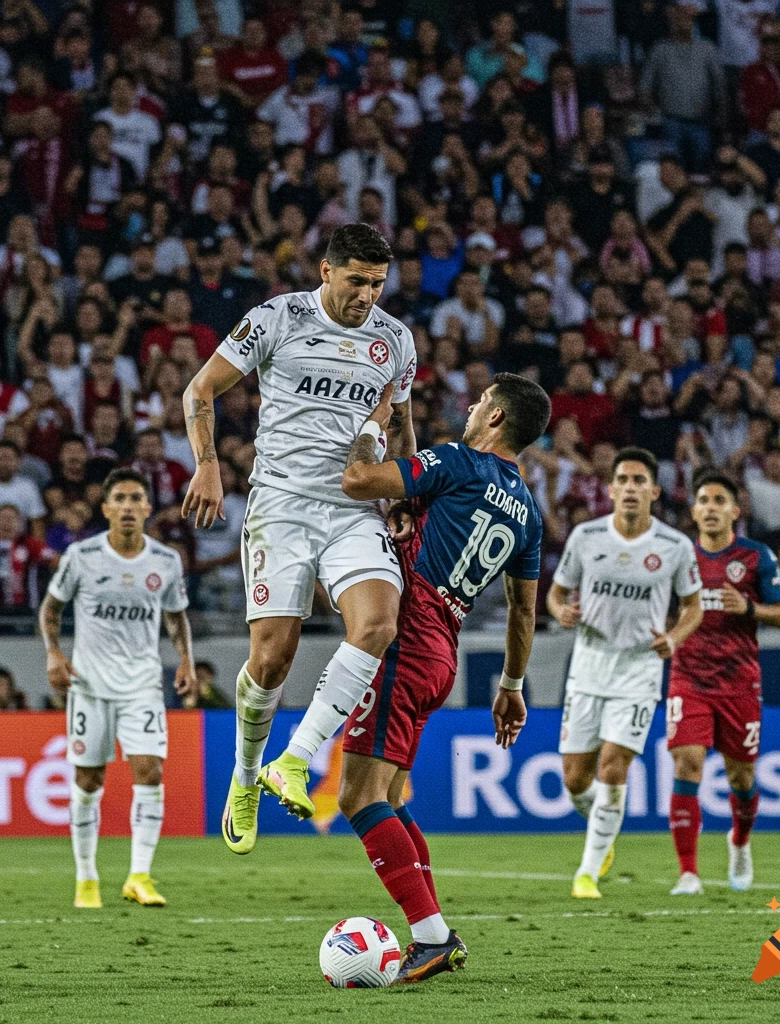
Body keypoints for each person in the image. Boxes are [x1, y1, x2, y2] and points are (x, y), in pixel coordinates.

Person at [181, 223, 417, 855]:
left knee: (377, 624)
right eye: (357, 280)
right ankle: (244, 774)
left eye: (377, 283)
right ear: (325, 272)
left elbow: (397, 418)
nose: (367, 294)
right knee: (272, 659)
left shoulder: (394, 340)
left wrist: (408, 492)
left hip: (352, 508)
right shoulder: (276, 318)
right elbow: (200, 389)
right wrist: (207, 462)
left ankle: (294, 760)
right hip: (281, 505)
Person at [334, 372, 547, 982]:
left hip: (406, 638)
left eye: (481, 401)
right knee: (391, 796)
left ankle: (432, 937)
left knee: (358, 796)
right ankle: (431, 933)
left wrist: (373, 420)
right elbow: (524, 609)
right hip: (442, 650)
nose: (473, 406)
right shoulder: (528, 511)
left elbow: (357, 481)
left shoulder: (458, 461)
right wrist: (510, 686)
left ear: (498, 418)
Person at [547, 447, 704, 899]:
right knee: (576, 779)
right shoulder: (586, 536)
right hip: (589, 666)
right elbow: (556, 595)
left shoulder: (674, 546)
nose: (631, 488)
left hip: (639, 669)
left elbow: (693, 606)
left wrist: (673, 638)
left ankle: (587, 873)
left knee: (614, 768)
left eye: (640, 480)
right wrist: (562, 612)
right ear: (611, 489)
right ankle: (605, 818)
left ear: (653, 491)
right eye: (624, 480)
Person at [39, 468, 196, 910]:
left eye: (136, 498)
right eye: (120, 499)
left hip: (142, 685)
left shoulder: (165, 561)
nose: (128, 506)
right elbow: (51, 609)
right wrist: (53, 654)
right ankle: (86, 879)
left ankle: (139, 875)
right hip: (89, 686)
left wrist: (185, 659)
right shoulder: (81, 555)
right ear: (106, 508)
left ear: (148, 508)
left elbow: (175, 615)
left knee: (150, 771)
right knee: (88, 780)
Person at [665, 471, 780, 896]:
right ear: (694, 510)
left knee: (741, 777)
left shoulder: (756, 557)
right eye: (704, 499)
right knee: (687, 764)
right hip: (689, 677)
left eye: (720, 500)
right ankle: (688, 873)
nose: (712, 506)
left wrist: (750, 607)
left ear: (735, 511)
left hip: (739, 682)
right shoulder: (679, 557)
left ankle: (739, 841)